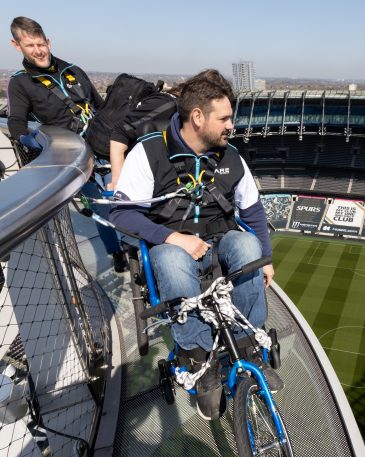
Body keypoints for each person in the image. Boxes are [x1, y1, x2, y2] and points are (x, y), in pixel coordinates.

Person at [110, 69, 281, 420]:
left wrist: (265, 258)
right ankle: (199, 361)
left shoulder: (232, 157)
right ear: (198, 117)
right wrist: (173, 237)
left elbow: (254, 212)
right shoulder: (149, 153)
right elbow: (122, 214)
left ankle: (249, 349)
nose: (231, 125)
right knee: (172, 261)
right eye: (225, 118)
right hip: (172, 247)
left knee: (248, 247)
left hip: (221, 244)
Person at [7, 16, 126, 272]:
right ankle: (117, 252)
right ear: (17, 46)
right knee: (101, 206)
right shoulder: (21, 83)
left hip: (106, 146)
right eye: (30, 46)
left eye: (41, 44)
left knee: (127, 197)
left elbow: (101, 107)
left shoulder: (73, 71)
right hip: (76, 155)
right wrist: (35, 142)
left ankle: (133, 244)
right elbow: (16, 123)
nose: (38, 51)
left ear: (48, 41)